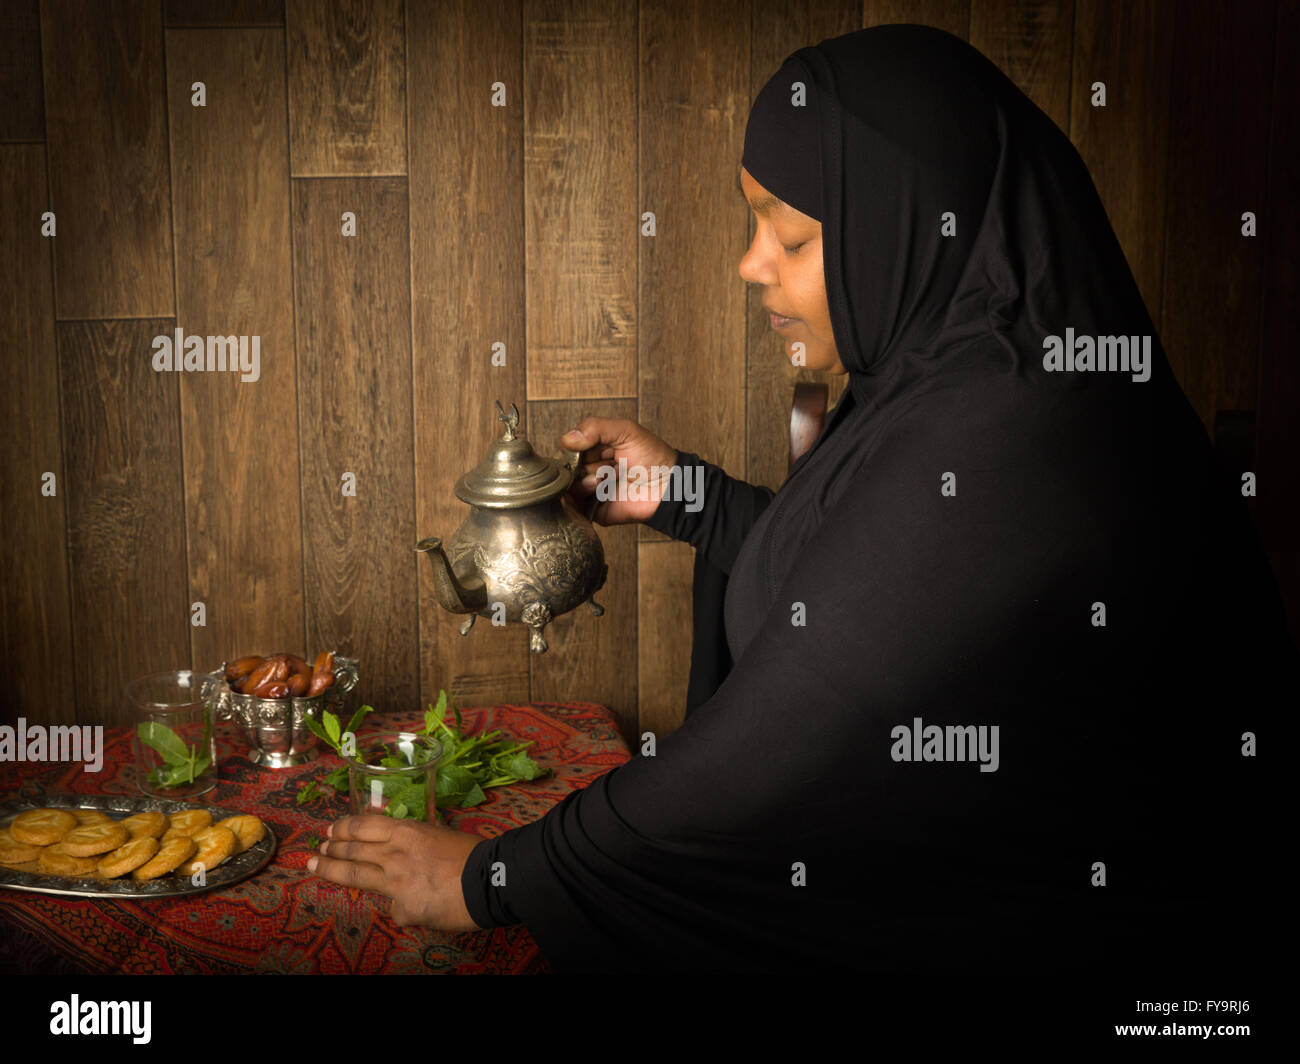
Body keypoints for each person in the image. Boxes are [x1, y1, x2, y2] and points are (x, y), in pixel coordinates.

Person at [309, 25, 1287, 976]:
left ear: (906, 223)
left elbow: (769, 751)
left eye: (791, 232)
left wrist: (493, 877)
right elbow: (867, 588)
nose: (750, 262)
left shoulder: (1012, 434)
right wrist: (684, 496)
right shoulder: (950, 366)